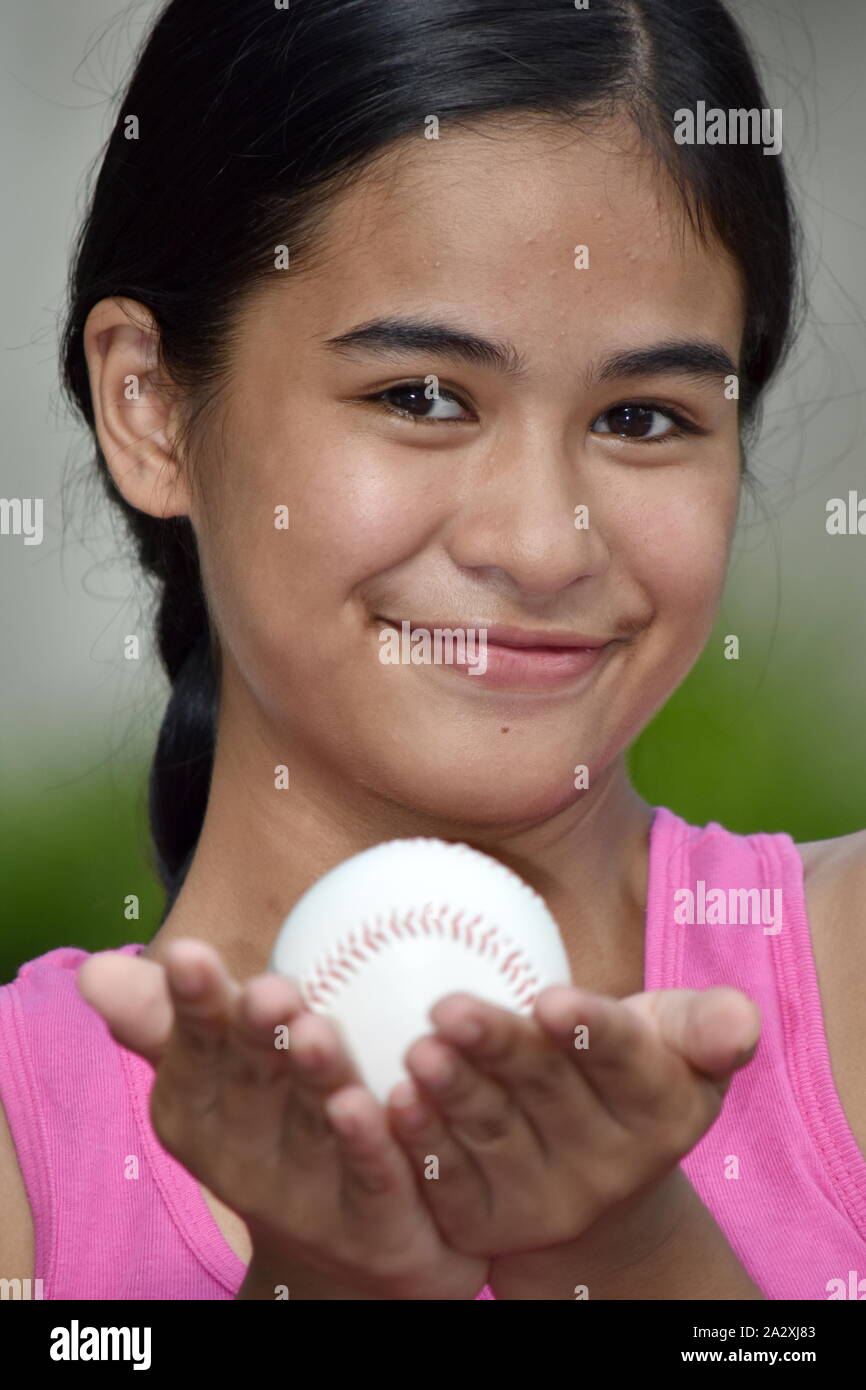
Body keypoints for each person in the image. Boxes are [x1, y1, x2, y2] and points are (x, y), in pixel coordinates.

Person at [1, 0, 864, 1301]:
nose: (540, 542)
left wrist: (627, 1257)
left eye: (640, 416)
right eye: (420, 397)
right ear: (152, 406)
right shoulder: (24, 1159)